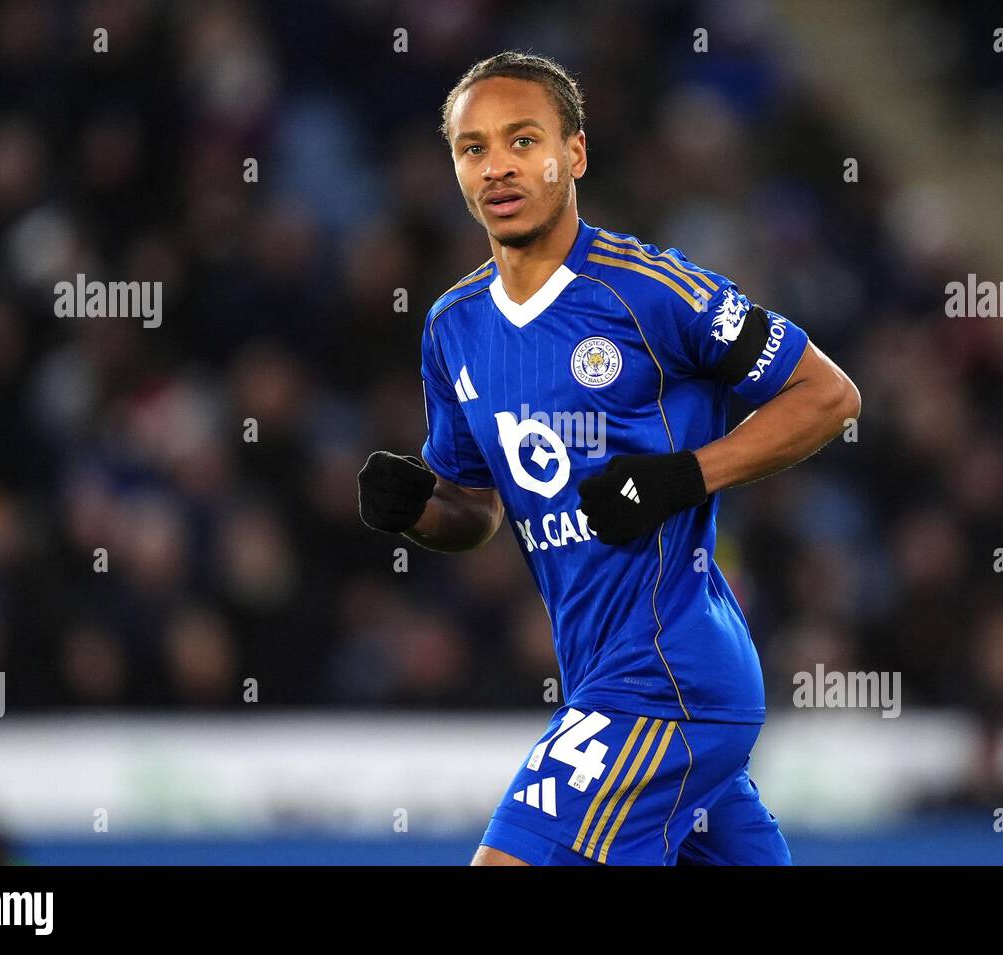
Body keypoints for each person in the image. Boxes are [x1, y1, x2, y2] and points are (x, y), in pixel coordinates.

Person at [358, 52, 860, 865]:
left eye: (523, 140)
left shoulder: (653, 291)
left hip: (669, 672)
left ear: (575, 154)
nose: (498, 167)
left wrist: (684, 475)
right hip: (606, 673)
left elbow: (829, 396)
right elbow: (477, 511)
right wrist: (417, 509)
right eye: (473, 148)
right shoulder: (453, 326)